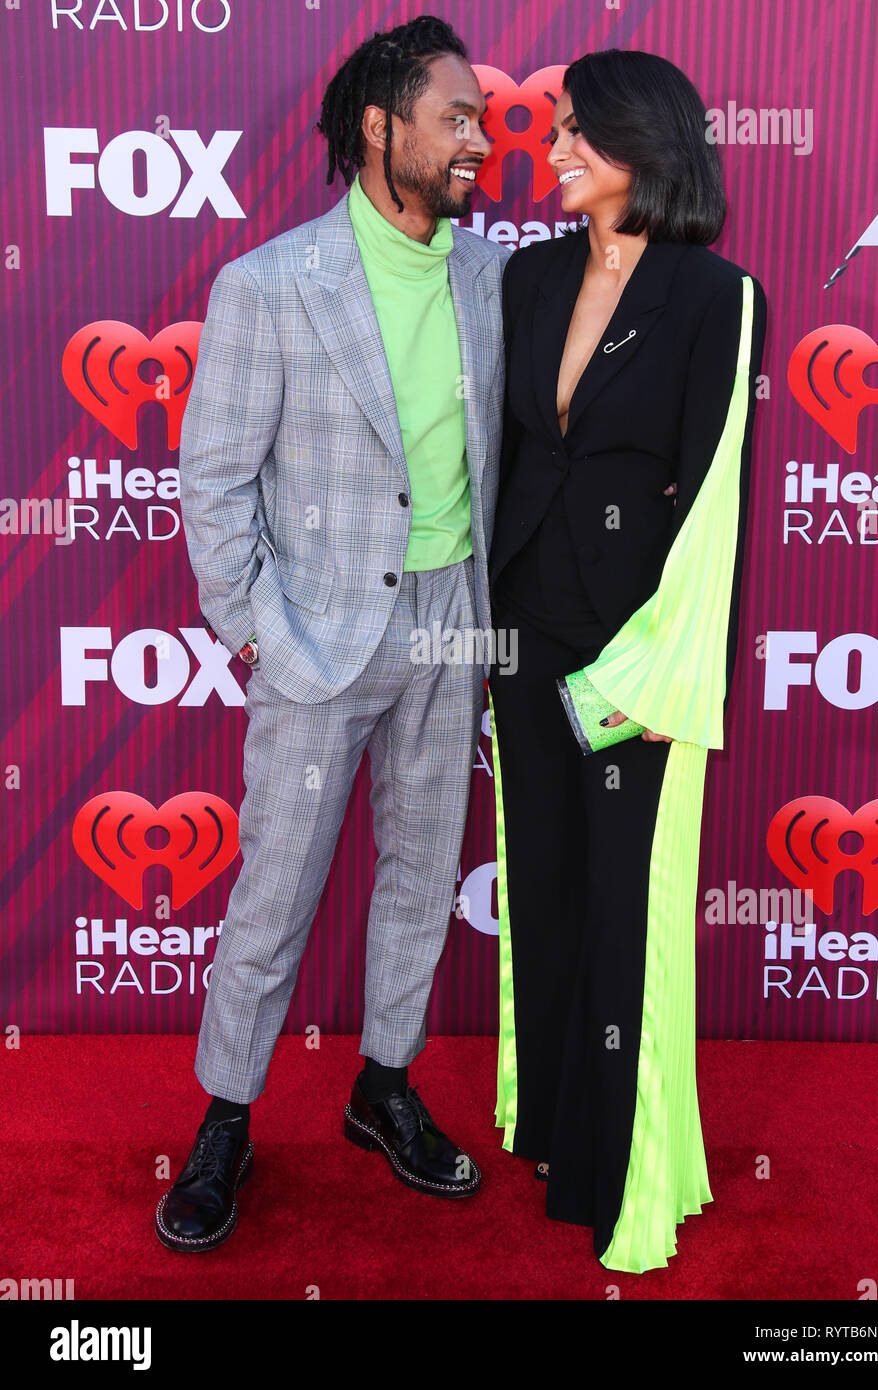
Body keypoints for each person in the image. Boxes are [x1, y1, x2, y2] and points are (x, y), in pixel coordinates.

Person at [158, 16, 508, 1252]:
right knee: (278, 886)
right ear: (380, 128)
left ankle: (384, 1087)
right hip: (318, 630)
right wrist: (255, 632)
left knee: (423, 869)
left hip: (450, 621)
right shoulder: (269, 284)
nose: (479, 137)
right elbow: (213, 480)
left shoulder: (485, 272)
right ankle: (227, 1117)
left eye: (481, 117)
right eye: (454, 117)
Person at [487, 49, 767, 1272]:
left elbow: (714, 501)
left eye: (571, 133)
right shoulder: (530, 275)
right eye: (550, 130)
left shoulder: (716, 295)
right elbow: (502, 461)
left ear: (640, 144)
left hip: (634, 651)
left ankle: (628, 1171)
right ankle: (554, 1124)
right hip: (525, 629)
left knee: (626, 917)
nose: (548, 150)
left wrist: (663, 675)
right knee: (540, 886)